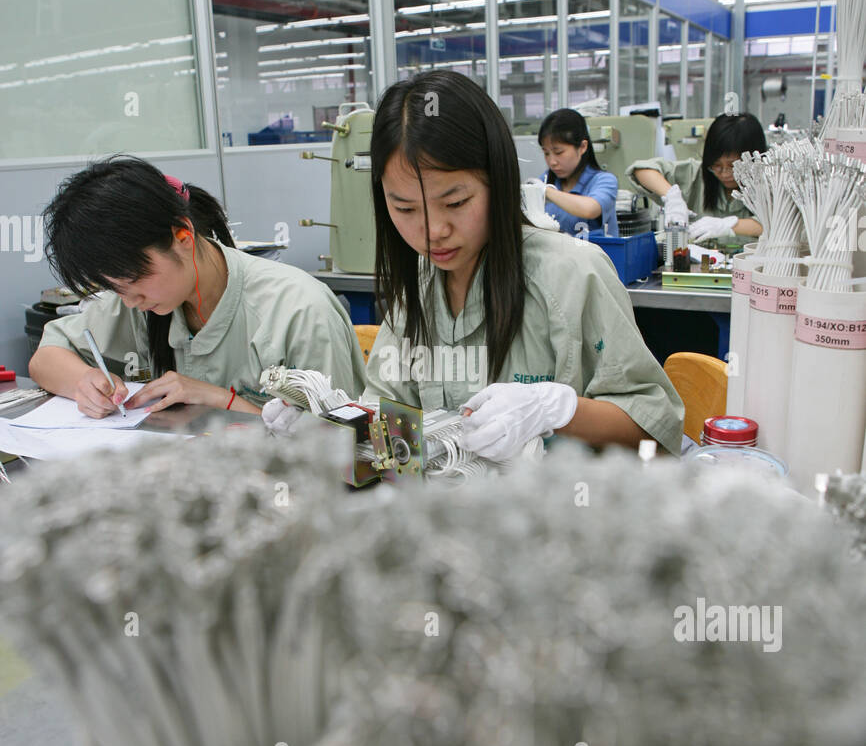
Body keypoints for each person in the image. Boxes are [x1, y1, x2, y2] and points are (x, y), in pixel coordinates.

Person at [356, 69, 684, 459]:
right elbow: (391, 434)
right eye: (404, 207)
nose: (432, 232)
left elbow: (656, 439)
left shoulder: (573, 274)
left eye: (456, 202)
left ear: (499, 180)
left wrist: (557, 410)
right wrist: (334, 434)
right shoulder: (417, 286)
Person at [30, 156, 366, 418]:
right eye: (116, 289)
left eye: (132, 282)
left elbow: (341, 445)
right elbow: (46, 356)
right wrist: (84, 383)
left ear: (183, 237)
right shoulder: (139, 301)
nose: (129, 302)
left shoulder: (299, 310)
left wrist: (219, 399)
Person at [628, 112, 766, 244]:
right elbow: (642, 169)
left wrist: (729, 226)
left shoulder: (772, 182)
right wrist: (672, 197)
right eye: (716, 165)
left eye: (732, 166)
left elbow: (778, 223)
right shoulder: (697, 174)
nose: (724, 173)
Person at [537, 108, 619, 237]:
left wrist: (546, 191)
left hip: (592, 256)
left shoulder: (604, 181)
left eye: (558, 152)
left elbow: (589, 209)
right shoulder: (546, 180)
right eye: (546, 153)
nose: (552, 162)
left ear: (582, 147)